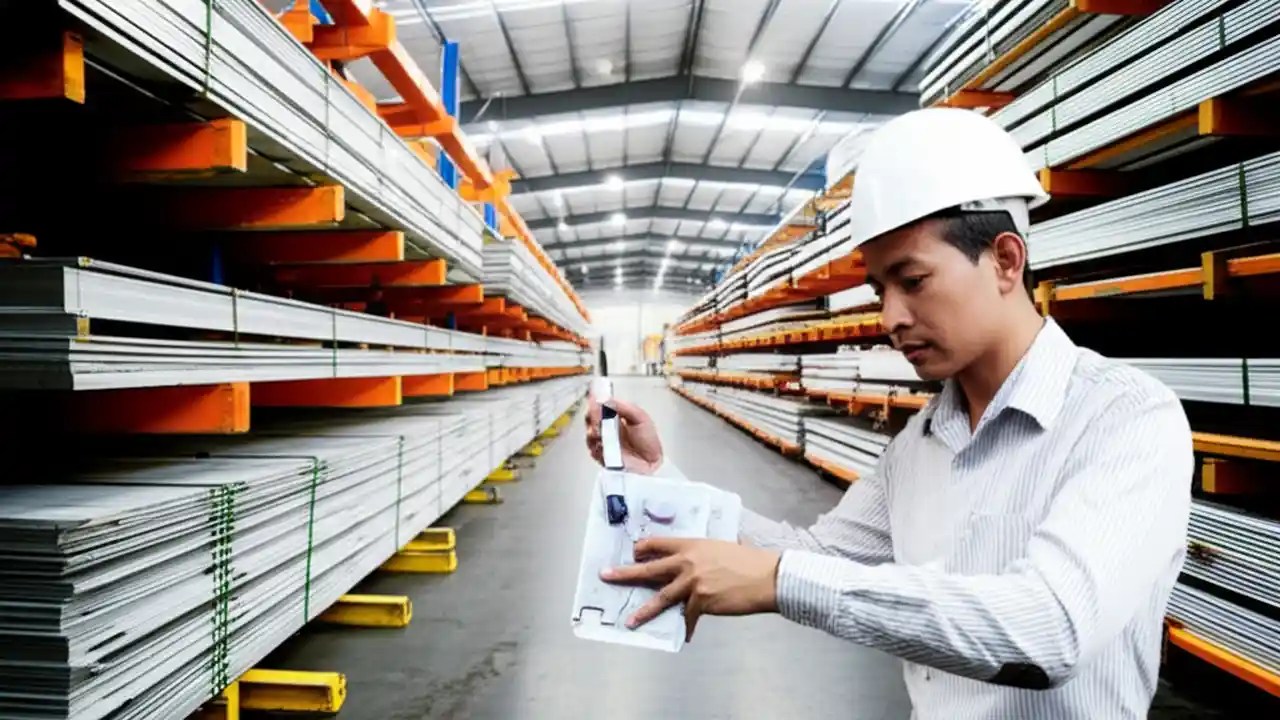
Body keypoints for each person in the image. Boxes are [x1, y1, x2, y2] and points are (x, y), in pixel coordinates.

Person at [584, 108, 1192, 719]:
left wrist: (779, 581)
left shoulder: (1126, 418)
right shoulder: (920, 445)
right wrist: (660, 479)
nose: (890, 318)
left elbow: (1053, 629)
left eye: (914, 280)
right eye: (880, 289)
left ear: (1007, 260)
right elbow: (816, 555)